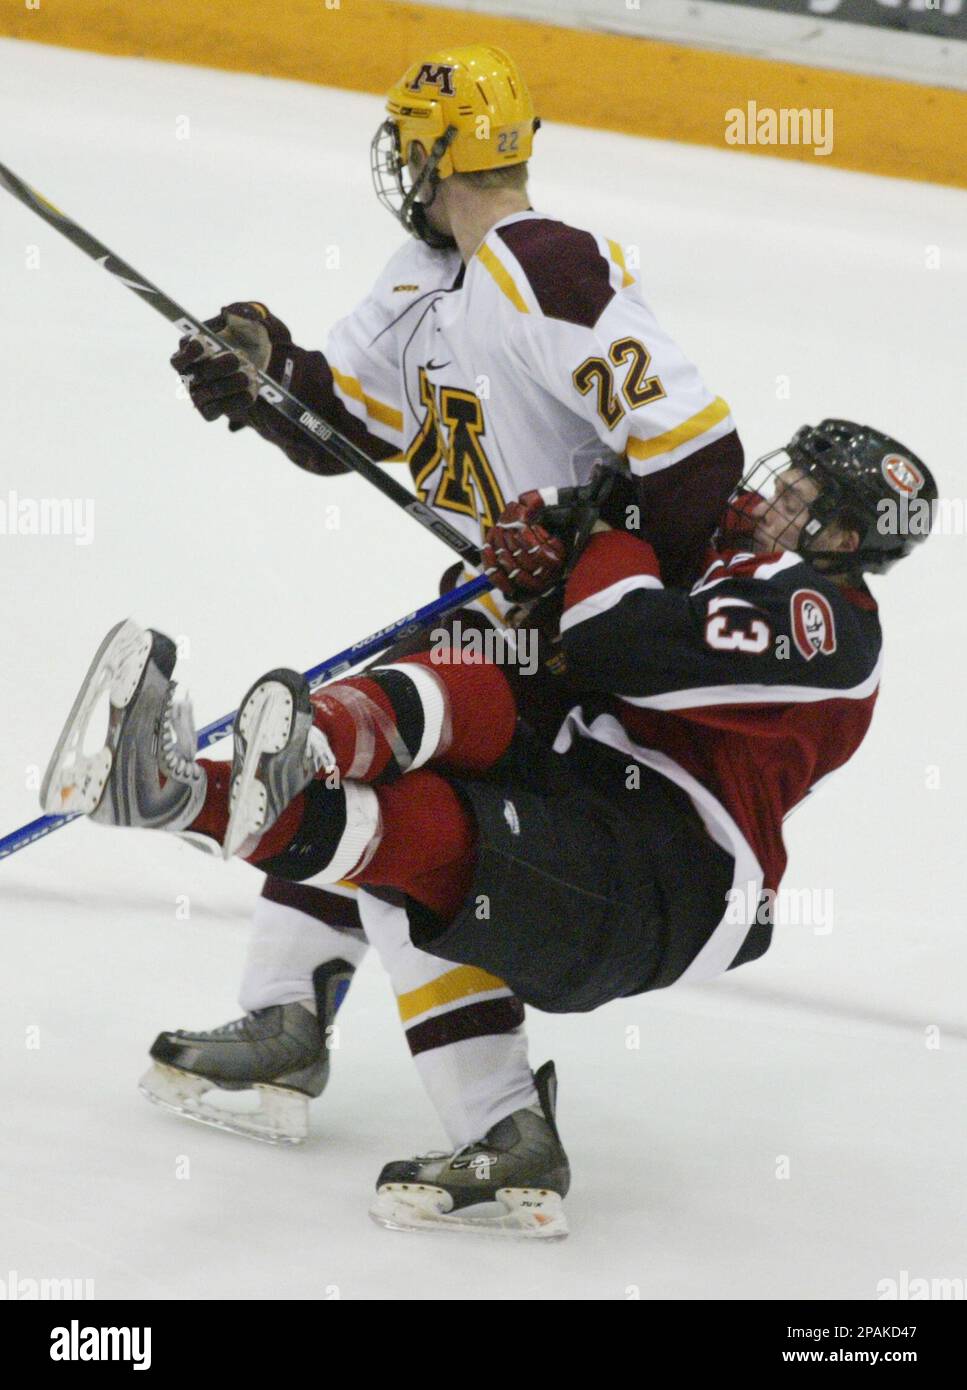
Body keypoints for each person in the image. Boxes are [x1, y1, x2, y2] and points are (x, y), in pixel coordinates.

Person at [42, 418, 936, 1233]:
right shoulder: (728, 564)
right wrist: (547, 535)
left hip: (672, 874)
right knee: (457, 680)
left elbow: (615, 640)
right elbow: (572, 623)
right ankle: (194, 785)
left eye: (797, 499)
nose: (766, 497)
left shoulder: (823, 623)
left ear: (844, 542)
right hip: (597, 790)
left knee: (416, 839)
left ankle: (221, 798)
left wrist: (603, 537)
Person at [131, 40, 743, 1217]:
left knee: (413, 825)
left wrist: (594, 579)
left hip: (571, 644)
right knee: (353, 770)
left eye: (410, 139)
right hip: (498, 623)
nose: (398, 162)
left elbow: (698, 458)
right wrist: (267, 373)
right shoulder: (422, 277)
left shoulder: (541, 266)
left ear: (433, 150)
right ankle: (286, 1015)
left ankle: (496, 1120)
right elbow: (339, 429)